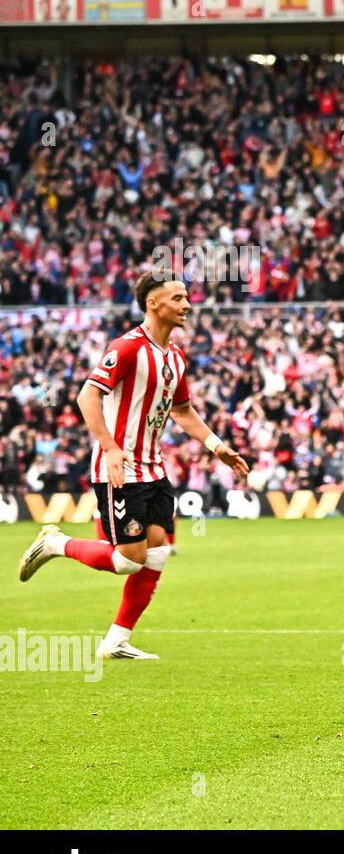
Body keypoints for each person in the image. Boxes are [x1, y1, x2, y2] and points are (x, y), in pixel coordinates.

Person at [18, 269, 250, 660]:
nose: (187, 305)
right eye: (177, 298)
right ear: (153, 304)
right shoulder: (126, 348)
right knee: (128, 561)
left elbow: (182, 410)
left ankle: (116, 642)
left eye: (186, 297)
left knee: (157, 552)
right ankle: (56, 543)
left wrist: (216, 446)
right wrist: (110, 447)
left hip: (154, 469)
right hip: (120, 468)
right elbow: (87, 397)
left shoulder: (175, 357)